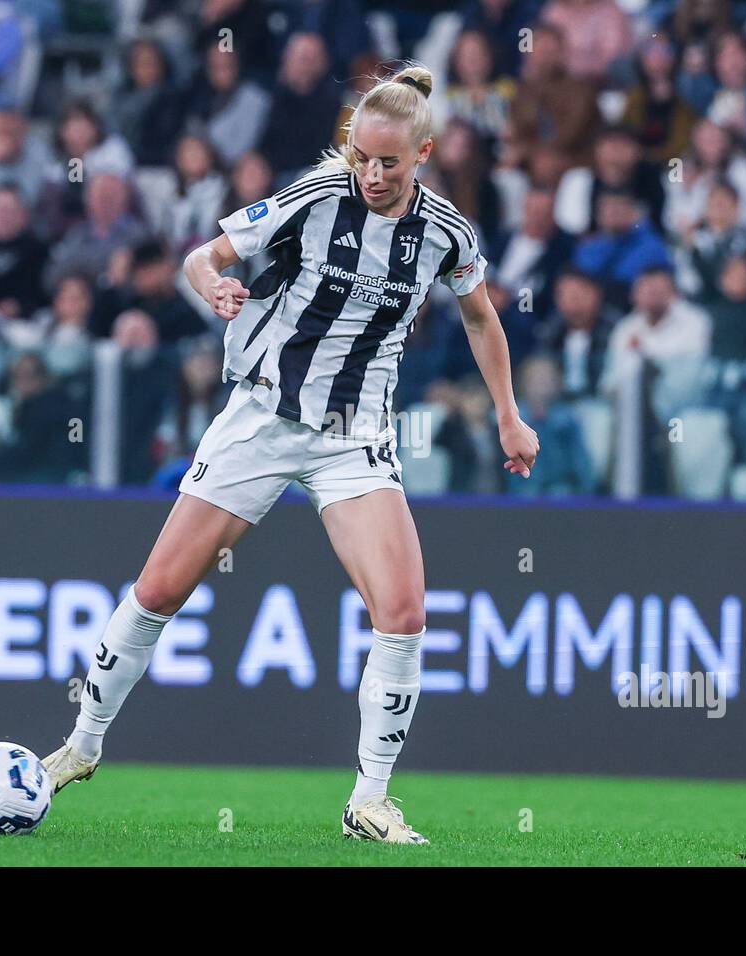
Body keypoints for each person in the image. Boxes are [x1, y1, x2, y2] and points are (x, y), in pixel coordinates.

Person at [41, 64, 540, 845]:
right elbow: (203, 257)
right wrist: (214, 286)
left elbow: (480, 319)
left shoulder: (446, 233)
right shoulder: (312, 201)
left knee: (404, 613)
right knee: (159, 589)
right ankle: (80, 746)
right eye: (362, 157)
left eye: (390, 163)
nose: (372, 175)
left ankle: (369, 801)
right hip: (263, 417)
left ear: (424, 155)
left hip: (355, 437)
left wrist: (510, 416)